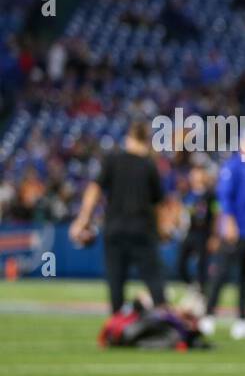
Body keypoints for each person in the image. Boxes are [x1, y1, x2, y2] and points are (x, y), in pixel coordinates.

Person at [69, 120, 168, 314]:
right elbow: (158, 205)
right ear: (146, 140)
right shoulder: (149, 166)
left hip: (115, 229)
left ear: (129, 137)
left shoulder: (113, 160)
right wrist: (161, 230)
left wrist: (83, 219)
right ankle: (165, 324)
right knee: (155, 281)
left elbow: (94, 189)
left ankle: (116, 326)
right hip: (143, 230)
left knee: (116, 283)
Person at [202, 133, 245, 340]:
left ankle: (242, 319)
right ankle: (208, 316)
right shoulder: (234, 166)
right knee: (221, 273)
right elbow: (224, 197)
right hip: (236, 230)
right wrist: (228, 223)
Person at [176, 159, 216, 294]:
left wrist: (214, 236)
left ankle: (202, 292)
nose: (195, 175)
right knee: (181, 263)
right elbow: (184, 213)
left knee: (202, 265)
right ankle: (191, 285)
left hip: (204, 233)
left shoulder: (211, 195)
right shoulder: (188, 194)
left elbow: (216, 214)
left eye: (198, 172)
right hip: (190, 232)